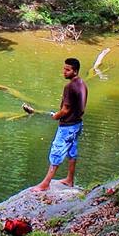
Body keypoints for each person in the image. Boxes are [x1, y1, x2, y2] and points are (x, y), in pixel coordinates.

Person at [32, 57, 88, 191]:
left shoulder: (70, 87)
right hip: (77, 124)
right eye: (64, 68)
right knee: (72, 152)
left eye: (67, 70)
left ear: (75, 71)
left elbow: (66, 109)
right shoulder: (82, 84)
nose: (64, 72)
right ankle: (70, 179)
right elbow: (80, 108)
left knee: (56, 151)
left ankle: (45, 184)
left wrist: (56, 116)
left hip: (67, 126)